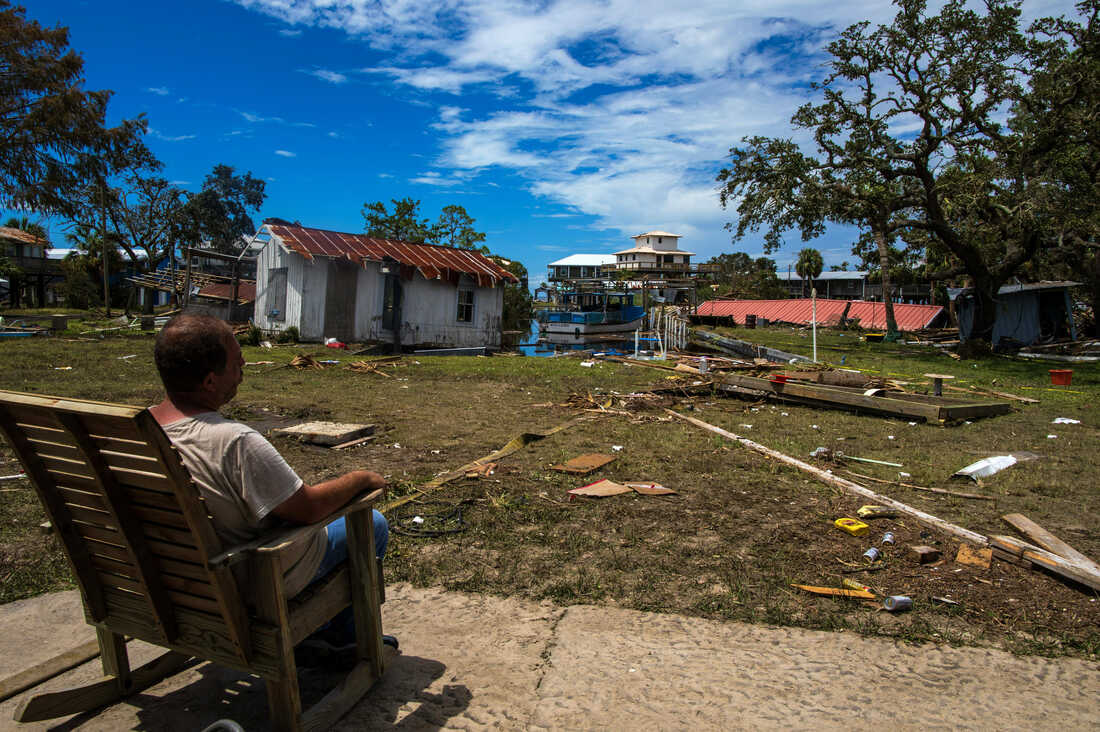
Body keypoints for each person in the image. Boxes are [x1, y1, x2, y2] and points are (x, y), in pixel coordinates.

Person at [150, 312, 390, 659]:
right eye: (235, 362)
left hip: (168, 579)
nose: (243, 366)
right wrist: (360, 478)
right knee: (373, 523)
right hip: (245, 581)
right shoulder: (232, 442)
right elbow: (307, 508)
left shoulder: (137, 433)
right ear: (208, 382)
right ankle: (339, 638)